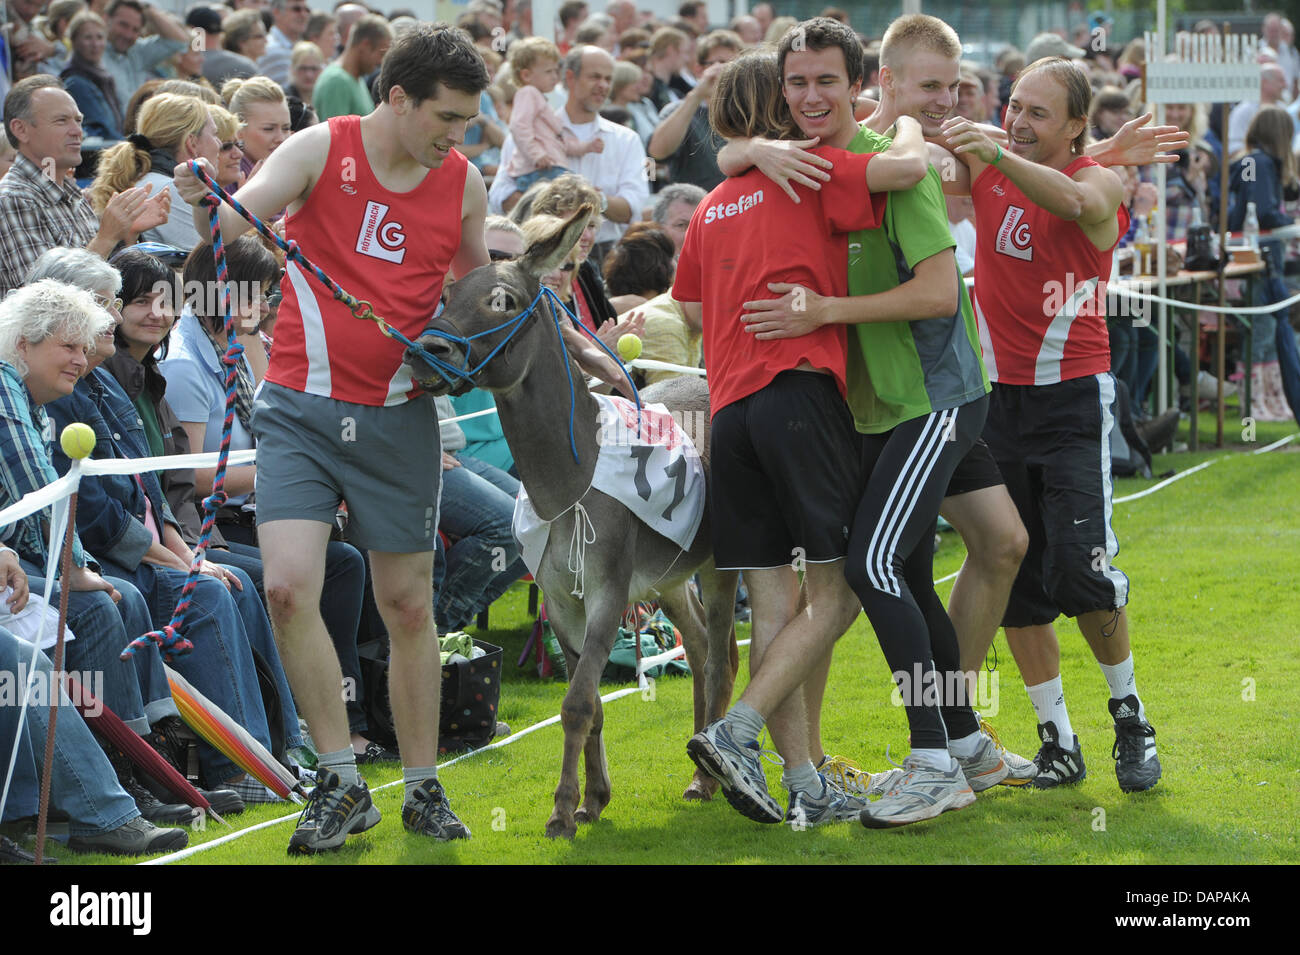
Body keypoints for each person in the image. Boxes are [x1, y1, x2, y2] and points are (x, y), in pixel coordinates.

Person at [172, 24, 496, 854]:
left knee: (408, 604)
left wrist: (459, 350)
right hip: (297, 409)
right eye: (447, 118)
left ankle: (423, 786)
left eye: (465, 122)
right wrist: (212, 199)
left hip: (399, 414)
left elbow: (472, 290)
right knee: (285, 588)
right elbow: (252, 212)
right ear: (396, 97)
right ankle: (341, 780)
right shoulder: (323, 146)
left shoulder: (461, 183)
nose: (455, 137)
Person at [678, 49, 929, 827]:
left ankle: (806, 783)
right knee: (840, 590)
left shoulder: (712, 198)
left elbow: (687, 308)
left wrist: (744, 162)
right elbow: (906, 171)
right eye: (797, 91)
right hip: (799, 395)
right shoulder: (812, 171)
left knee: (774, 607)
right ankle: (735, 728)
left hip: (729, 412)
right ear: (782, 109)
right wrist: (908, 115)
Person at [942, 55, 1162, 794]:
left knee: (1081, 569)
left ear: (1076, 125)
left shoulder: (1101, 182)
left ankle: (1129, 716)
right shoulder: (991, 169)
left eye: (1039, 113)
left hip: (1072, 401)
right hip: (997, 403)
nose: (1015, 120)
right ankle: (1056, 737)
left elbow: (1074, 198)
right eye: (1013, 106)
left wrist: (1006, 150)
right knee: (1020, 578)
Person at [0, 76, 169, 295]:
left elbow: (109, 287)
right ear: (20, 129)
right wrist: (106, 238)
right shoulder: (13, 199)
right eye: (61, 121)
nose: (77, 131)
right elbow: (42, 299)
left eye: (78, 120)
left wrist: (127, 233)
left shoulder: (71, 195)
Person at [490, 45, 650, 263]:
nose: (602, 85)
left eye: (608, 79)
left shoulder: (626, 140)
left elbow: (632, 208)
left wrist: (593, 200)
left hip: (600, 254)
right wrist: (549, 204)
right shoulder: (528, 133)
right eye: (594, 77)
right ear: (570, 77)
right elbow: (500, 195)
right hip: (539, 253)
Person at [86, 92, 221, 250]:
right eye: (214, 134)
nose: (219, 143)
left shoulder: (153, 181)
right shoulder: (173, 190)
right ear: (192, 143)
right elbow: (215, 262)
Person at [505, 37, 604, 193]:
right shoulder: (528, 93)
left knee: (573, 190)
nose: (555, 77)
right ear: (526, 75)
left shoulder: (541, 102)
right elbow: (519, 126)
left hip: (550, 168)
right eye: (548, 71)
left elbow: (561, 141)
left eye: (556, 71)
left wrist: (587, 147)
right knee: (574, 191)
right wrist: (537, 154)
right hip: (539, 171)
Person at [647, 30, 743, 191]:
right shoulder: (680, 110)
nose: (726, 72)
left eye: (734, 65)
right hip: (695, 209)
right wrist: (697, 94)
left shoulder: (750, 112)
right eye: (718, 63)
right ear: (699, 70)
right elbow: (657, 152)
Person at [100, 0, 190, 116]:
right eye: (123, 25)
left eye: (135, 30)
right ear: (106, 19)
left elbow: (180, 42)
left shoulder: (137, 52)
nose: (128, 34)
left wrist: (148, 10)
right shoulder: (93, 53)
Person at [312, 14, 392, 120]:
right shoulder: (337, 81)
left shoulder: (355, 79)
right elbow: (335, 134)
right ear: (365, 45)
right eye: (381, 54)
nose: (381, 62)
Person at [59, 11, 125, 141]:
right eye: (88, 38)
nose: (95, 44)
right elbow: (103, 132)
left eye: (100, 37)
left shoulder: (104, 78)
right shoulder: (76, 82)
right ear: (74, 40)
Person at [258, 0, 312, 87]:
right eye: (296, 9)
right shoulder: (269, 48)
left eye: (307, 10)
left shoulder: (304, 47)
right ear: (276, 12)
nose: (304, 14)